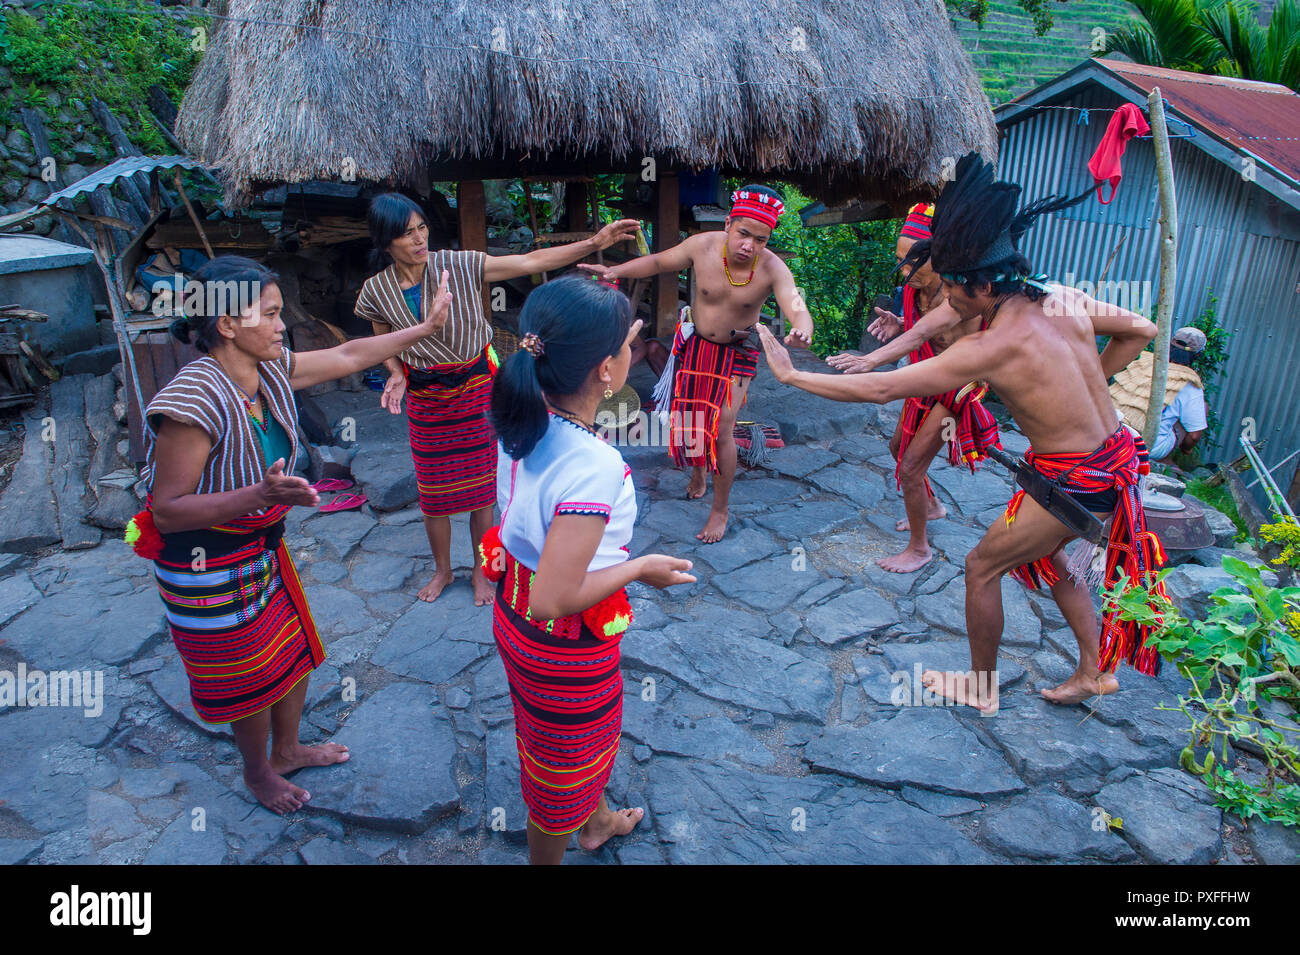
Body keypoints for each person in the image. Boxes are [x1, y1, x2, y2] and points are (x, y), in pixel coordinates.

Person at [757, 154, 1167, 713]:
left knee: (982, 566)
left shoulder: (988, 346)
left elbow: (882, 390)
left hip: (1074, 482)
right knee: (1061, 564)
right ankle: (1093, 673)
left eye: (952, 290)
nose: (946, 300)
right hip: (1113, 459)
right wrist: (1094, 379)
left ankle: (982, 687)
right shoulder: (1061, 299)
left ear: (979, 285)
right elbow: (1141, 328)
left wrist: (790, 374)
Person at [132, 255, 453, 813]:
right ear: (227, 325)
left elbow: (350, 353)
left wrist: (424, 329)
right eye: (272, 314)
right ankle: (258, 771)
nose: (284, 326)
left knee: (292, 651)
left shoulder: (267, 371)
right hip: (205, 565)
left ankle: (286, 748)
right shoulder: (192, 401)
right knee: (248, 677)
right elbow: (168, 510)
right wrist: (259, 496)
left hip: (262, 547)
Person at [480, 276, 695, 864]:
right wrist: (641, 568)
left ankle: (595, 820)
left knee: (561, 741)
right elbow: (556, 597)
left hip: (515, 614)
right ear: (604, 368)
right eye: (626, 345)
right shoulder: (595, 466)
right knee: (560, 774)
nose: (633, 349)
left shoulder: (521, 416)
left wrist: (608, 350)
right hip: (562, 639)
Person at [355, 192, 640, 604]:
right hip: (427, 397)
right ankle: (442, 570)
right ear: (385, 242)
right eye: (406, 234)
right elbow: (383, 342)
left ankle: (479, 572)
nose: (419, 239)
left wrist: (594, 243)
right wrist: (396, 373)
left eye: (422, 228)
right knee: (433, 494)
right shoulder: (376, 291)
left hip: (475, 388)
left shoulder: (458, 264)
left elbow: (529, 262)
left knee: (481, 491)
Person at [579, 185, 815, 543]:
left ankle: (720, 509)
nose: (749, 245)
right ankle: (698, 473)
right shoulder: (702, 246)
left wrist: (803, 329)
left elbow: (794, 303)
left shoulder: (772, 268)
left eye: (761, 239)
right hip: (695, 344)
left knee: (720, 428)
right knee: (690, 420)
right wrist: (617, 271)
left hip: (738, 352)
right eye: (744, 233)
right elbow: (659, 262)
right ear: (730, 223)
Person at [828, 203, 1000, 573]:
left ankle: (919, 549)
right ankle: (933, 506)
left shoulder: (959, 295)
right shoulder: (916, 291)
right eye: (901, 259)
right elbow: (922, 330)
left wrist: (870, 361)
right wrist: (901, 323)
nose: (905, 269)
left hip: (958, 385)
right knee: (896, 447)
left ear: (938, 258)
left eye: (913, 261)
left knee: (909, 467)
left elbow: (929, 332)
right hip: (927, 375)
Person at [1109, 325, 1208, 464]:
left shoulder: (1144, 363)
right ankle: (1162, 461)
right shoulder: (1190, 385)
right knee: (1202, 408)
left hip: (1109, 431)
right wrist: (1187, 449)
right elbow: (1194, 436)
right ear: (1197, 355)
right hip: (1142, 445)